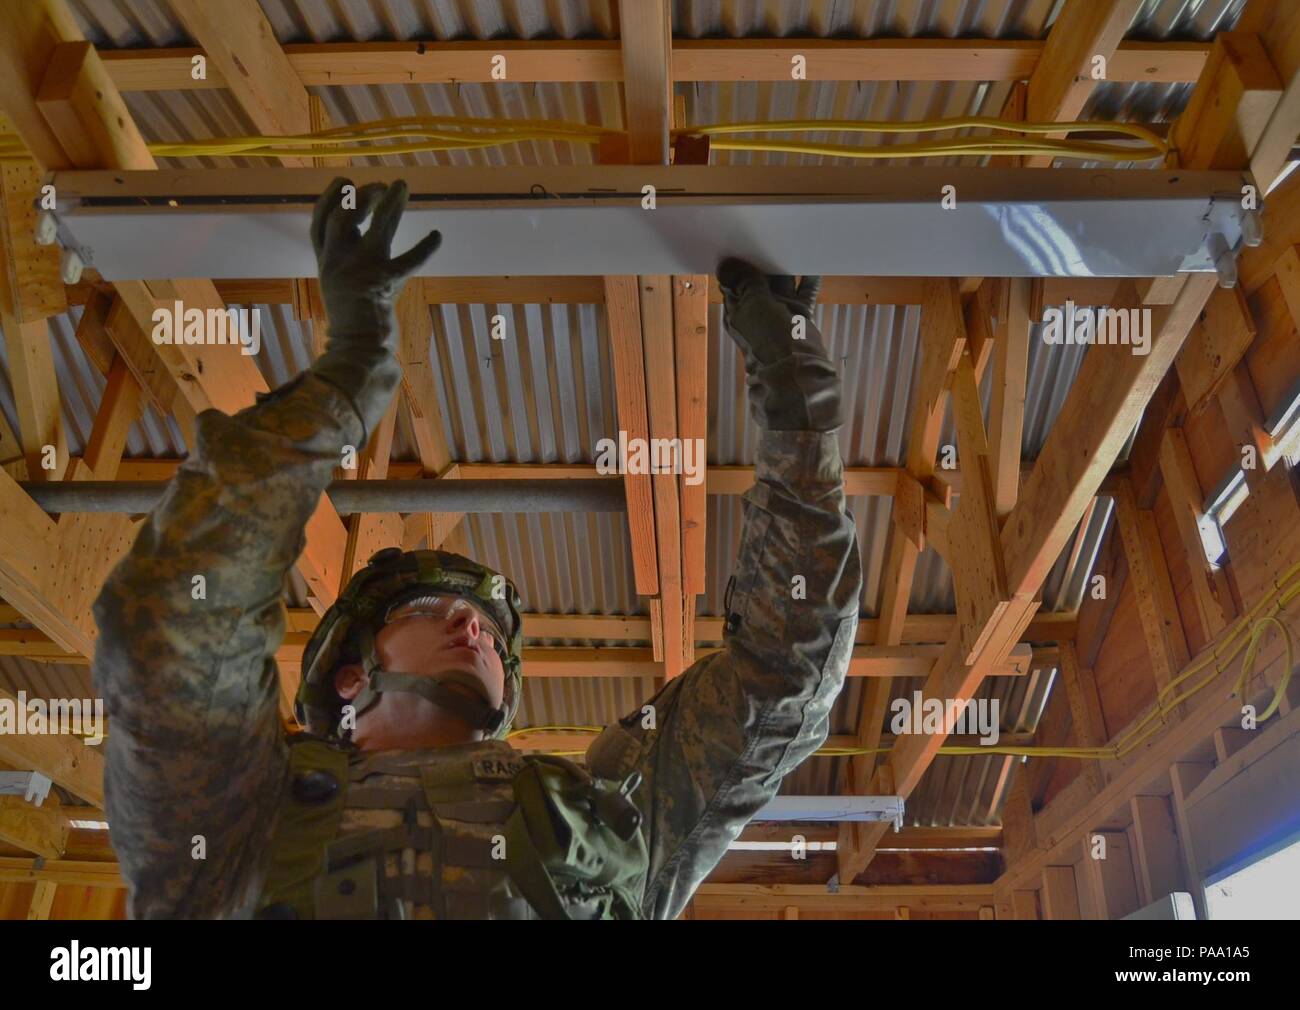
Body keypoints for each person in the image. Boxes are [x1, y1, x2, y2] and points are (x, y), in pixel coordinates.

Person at [91, 178, 862, 919]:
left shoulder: (604, 818)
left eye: (488, 629)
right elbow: (167, 626)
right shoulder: (239, 807)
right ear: (351, 674)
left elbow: (783, 672)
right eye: (433, 609)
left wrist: (797, 401)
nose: (474, 629)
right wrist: (345, 382)